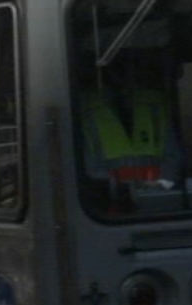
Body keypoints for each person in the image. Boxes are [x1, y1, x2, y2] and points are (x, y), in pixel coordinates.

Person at [79, 50, 184, 206]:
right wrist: (120, 190)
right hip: (107, 206)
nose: (123, 78)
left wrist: (161, 184)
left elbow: (173, 156)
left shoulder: (153, 106)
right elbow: (87, 168)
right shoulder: (87, 111)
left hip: (157, 201)